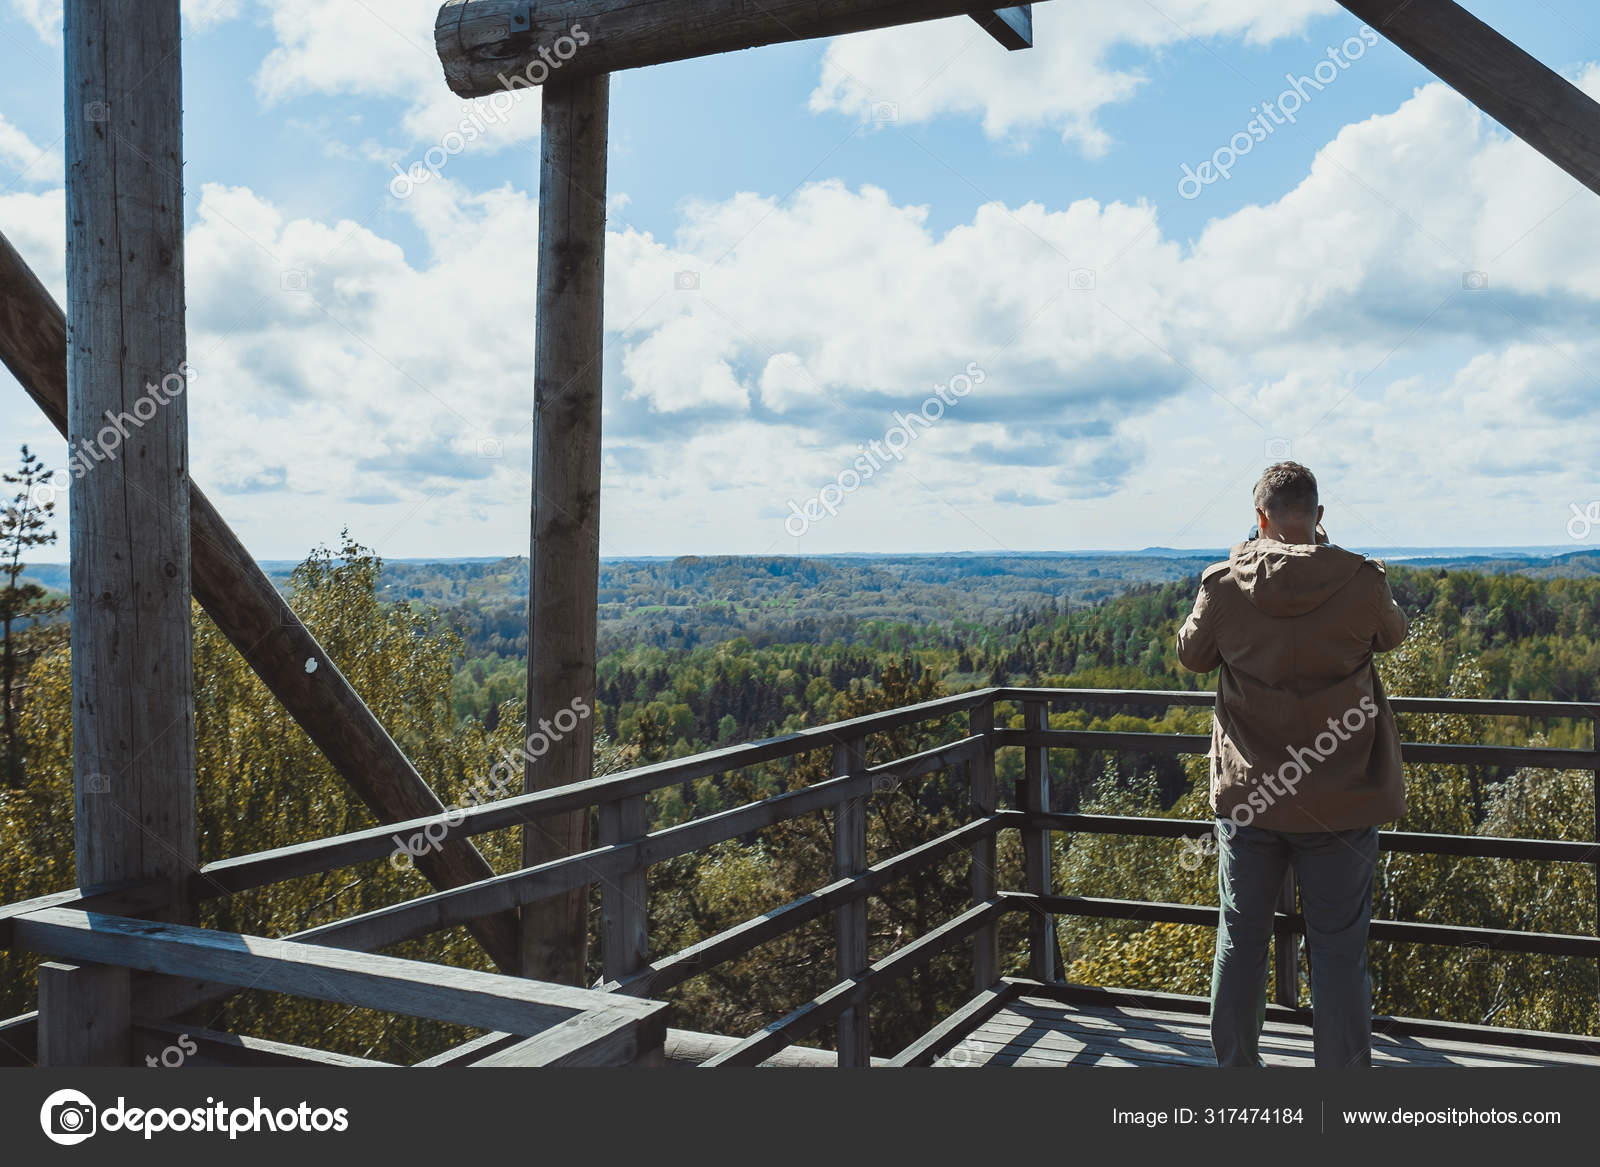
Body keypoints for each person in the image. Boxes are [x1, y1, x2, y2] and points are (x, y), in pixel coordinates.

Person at [1176, 461, 1408, 1068]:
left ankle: (1237, 1081)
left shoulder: (1224, 584)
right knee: (1338, 951)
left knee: (1241, 939)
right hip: (1343, 797)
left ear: (1259, 519)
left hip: (1251, 797)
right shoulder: (1361, 580)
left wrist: (1241, 559)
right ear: (1319, 517)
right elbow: (1394, 636)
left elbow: (1192, 655)